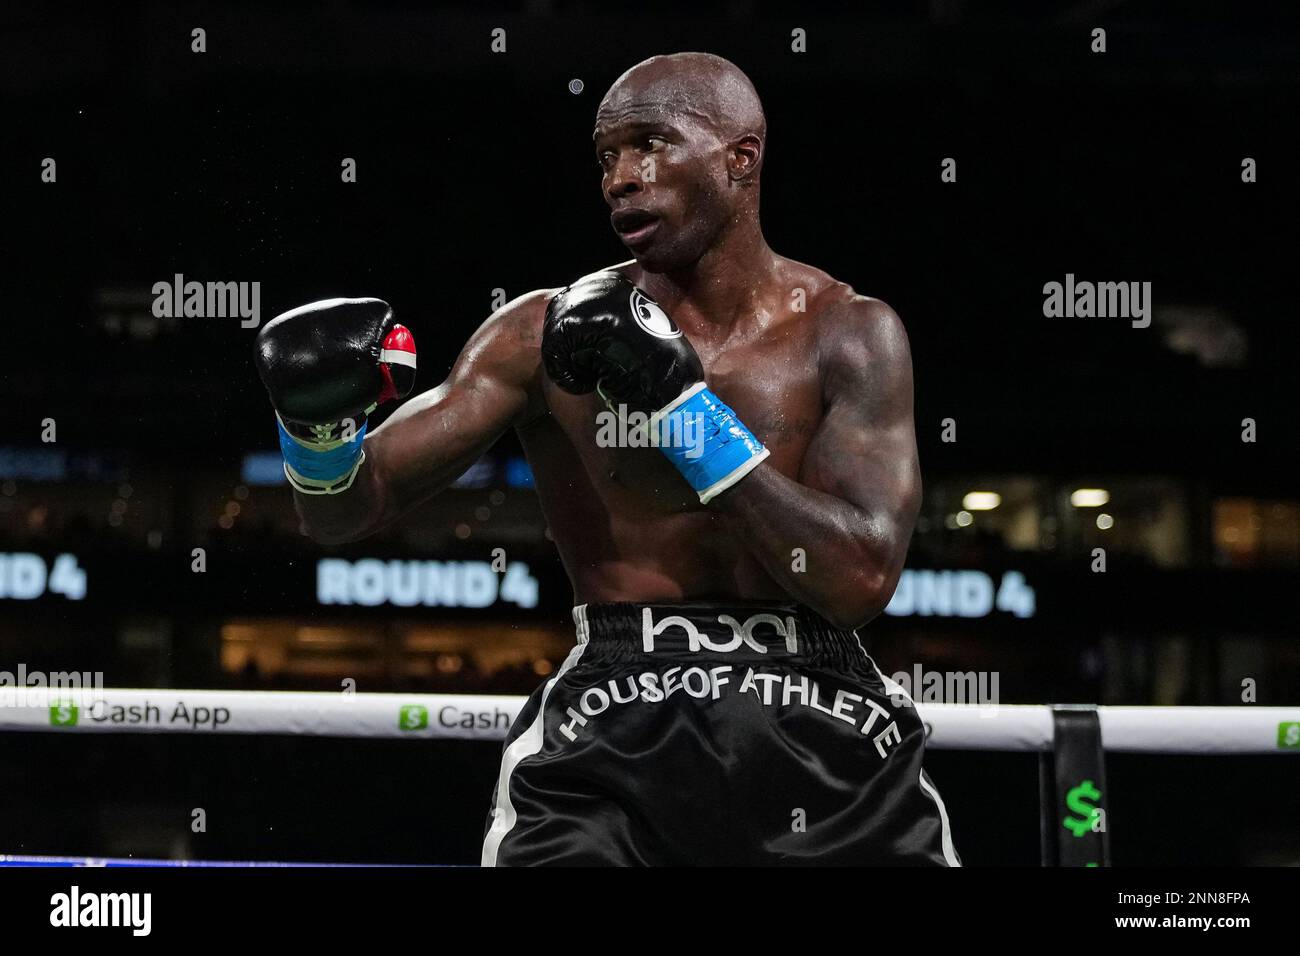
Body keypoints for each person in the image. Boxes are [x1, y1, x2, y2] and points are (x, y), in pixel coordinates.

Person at [255, 52, 959, 866]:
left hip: (825, 716)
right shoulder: (538, 334)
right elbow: (345, 509)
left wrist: (680, 411)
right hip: (613, 725)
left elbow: (859, 580)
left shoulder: (850, 332)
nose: (621, 177)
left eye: (652, 144)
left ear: (742, 157)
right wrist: (314, 434)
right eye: (607, 155)